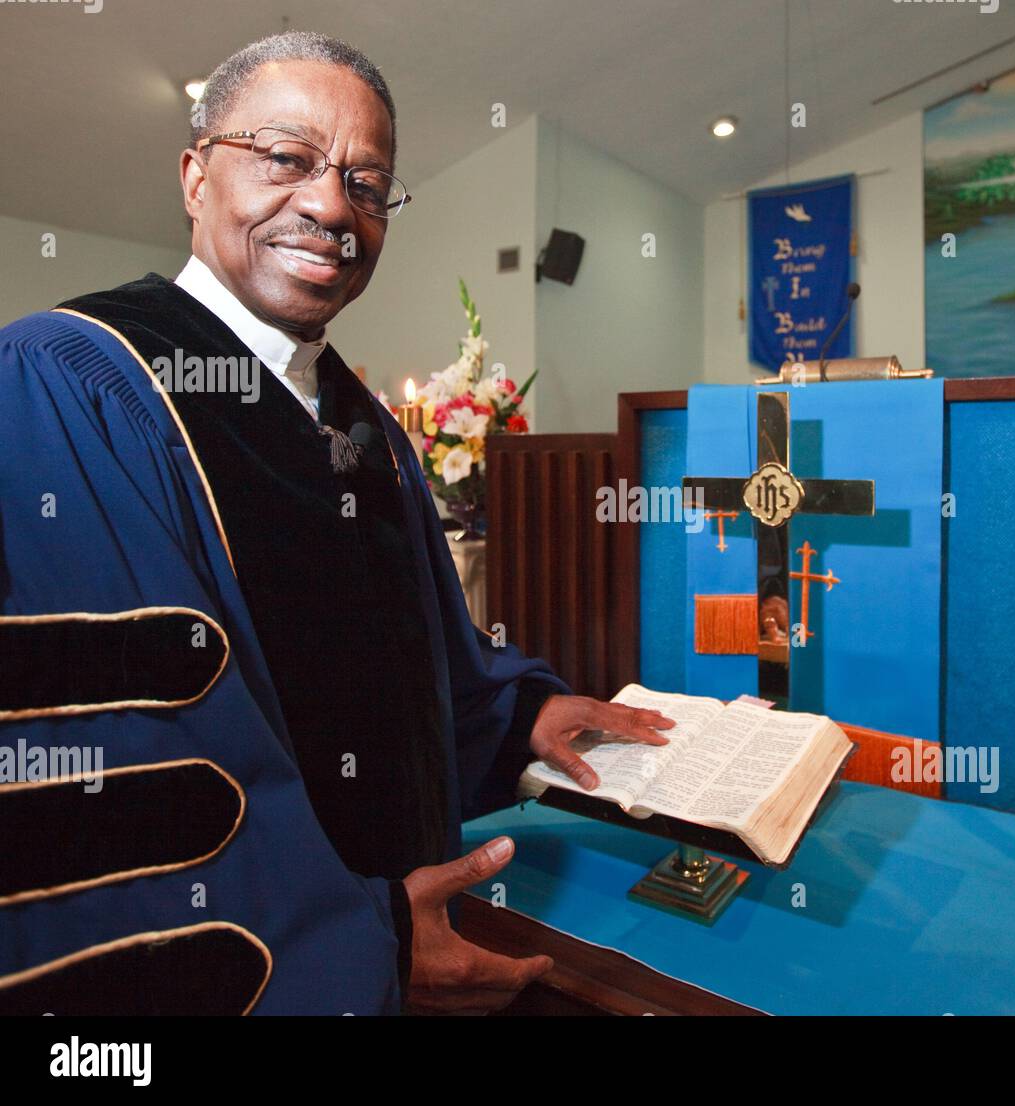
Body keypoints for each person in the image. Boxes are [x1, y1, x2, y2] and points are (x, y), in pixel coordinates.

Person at [0, 30, 673, 1016]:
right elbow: (125, 766)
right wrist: (353, 949)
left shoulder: (365, 430)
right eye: (285, 158)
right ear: (195, 176)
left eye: (367, 182)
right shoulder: (66, 382)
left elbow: (414, 663)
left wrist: (519, 713)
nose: (328, 206)